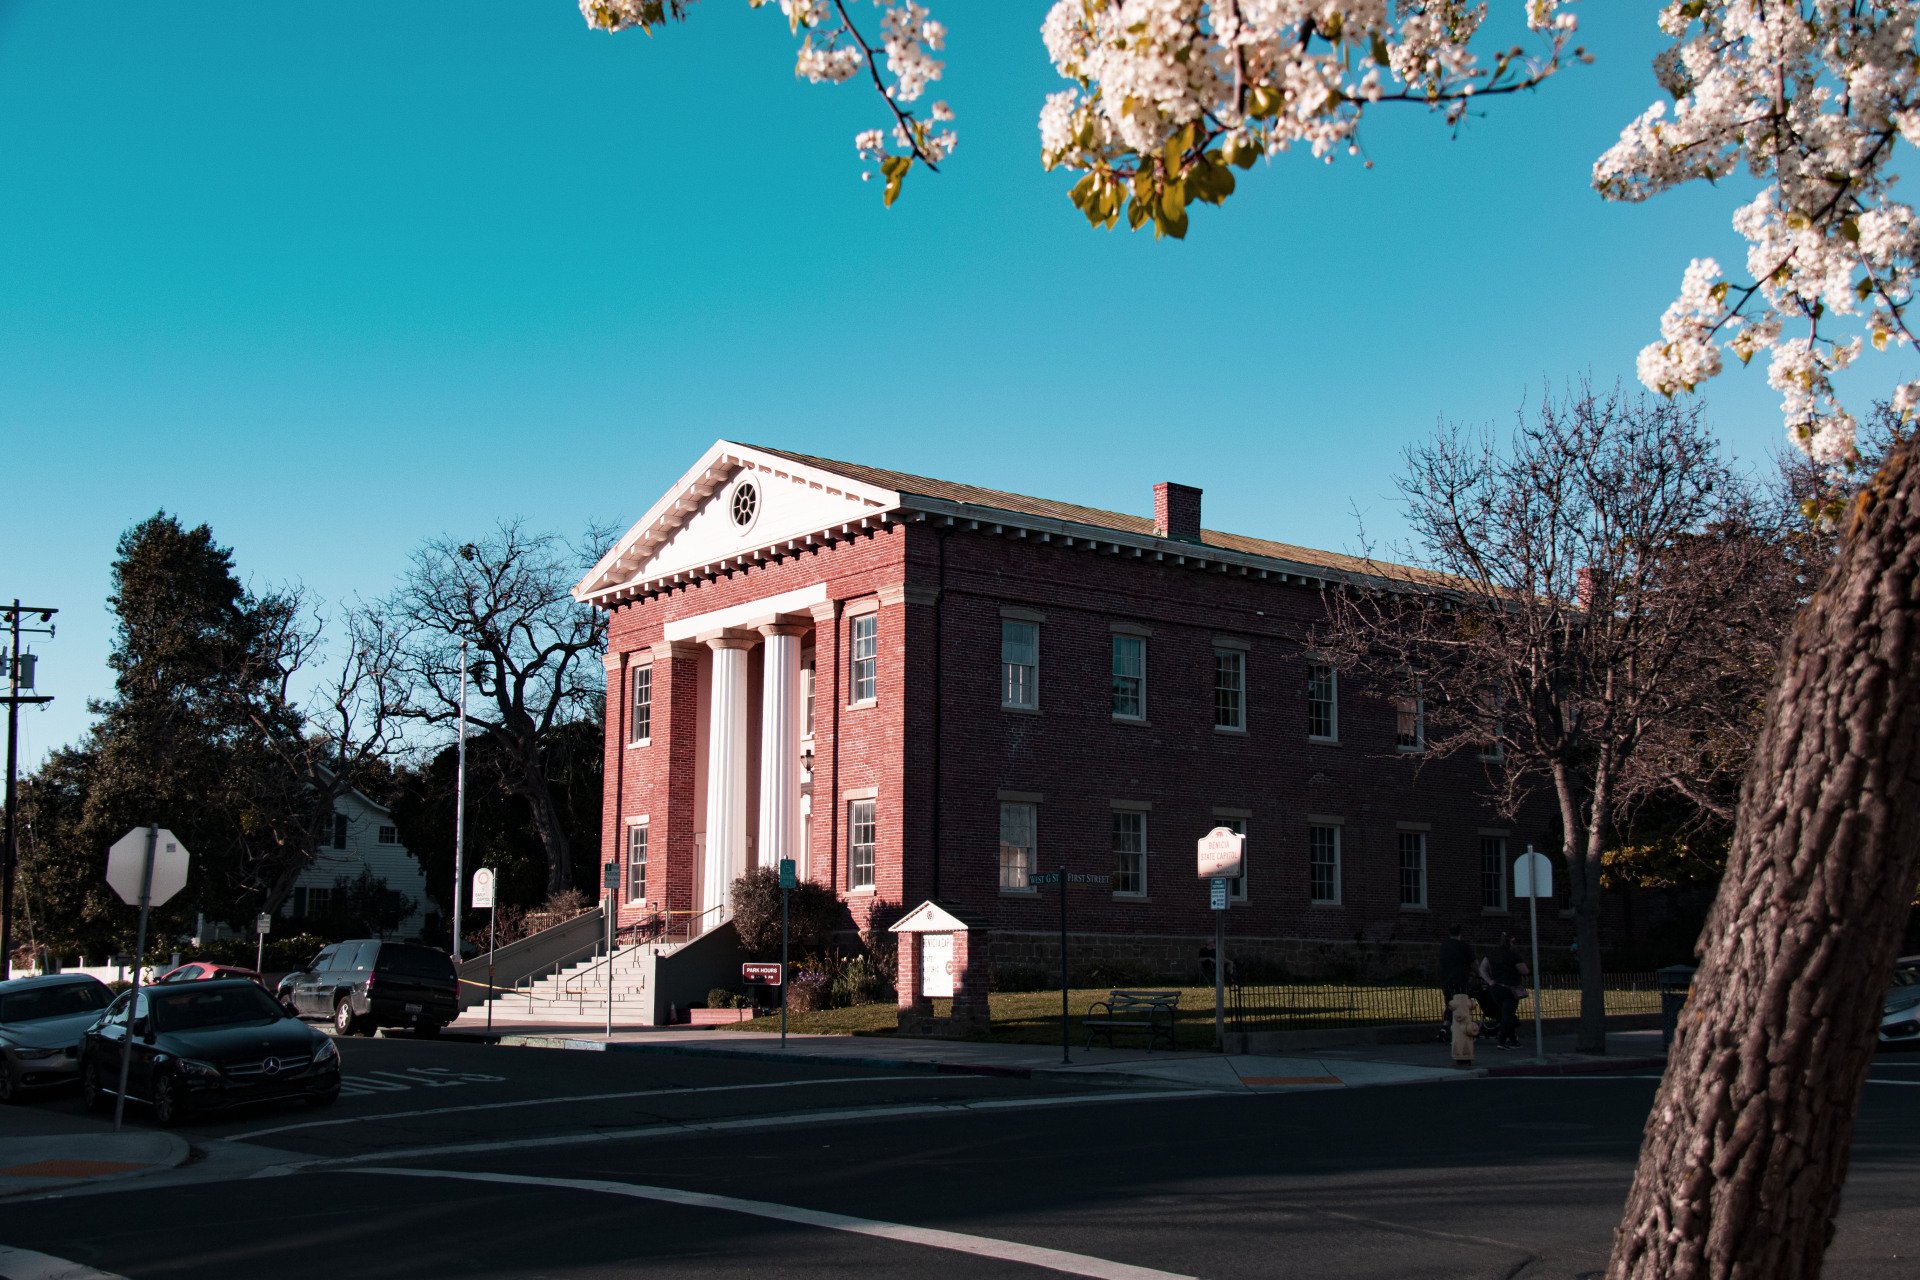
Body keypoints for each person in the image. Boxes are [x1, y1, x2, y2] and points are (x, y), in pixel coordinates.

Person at [1486, 931, 1529, 1048]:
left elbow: (1482, 968)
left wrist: (1489, 981)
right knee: (1508, 1015)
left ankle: (1513, 1039)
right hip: (1510, 989)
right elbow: (1524, 970)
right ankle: (1502, 1039)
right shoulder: (1513, 954)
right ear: (1511, 941)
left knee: (1507, 1014)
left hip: (1496, 989)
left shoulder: (1492, 953)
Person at [1437, 925, 1475, 1039]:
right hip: (1460, 980)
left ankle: (1445, 1027)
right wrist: (1478, 973)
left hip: (1446, 980)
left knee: (1451, 1004)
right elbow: (1474, 962)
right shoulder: (1463, 946)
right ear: (1460, 933)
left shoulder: (1444, 946)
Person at [1449, 992, 1480, 1067]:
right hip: (1466, 1028)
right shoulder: (1467, 1004)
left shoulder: (1454, 1005)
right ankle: (1465, 1058)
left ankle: (1460, 1058)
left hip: (1463, 1028)